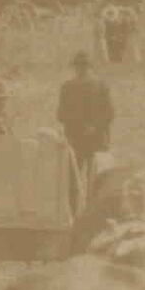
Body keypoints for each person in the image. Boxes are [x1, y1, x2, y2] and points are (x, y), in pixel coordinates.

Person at [56, 51, 115, 204]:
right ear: (75, 68)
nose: (81, 69)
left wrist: (94, 127)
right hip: (77, 140)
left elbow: (109, 113)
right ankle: (74, 215)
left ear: (90, 67)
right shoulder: (68, 87)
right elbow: (61, 114)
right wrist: (83, 126)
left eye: (84, 66)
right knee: (73, 181)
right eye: (79, 66)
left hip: (93, 140)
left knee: (96, 179)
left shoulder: (100, 87)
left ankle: (91, 214)